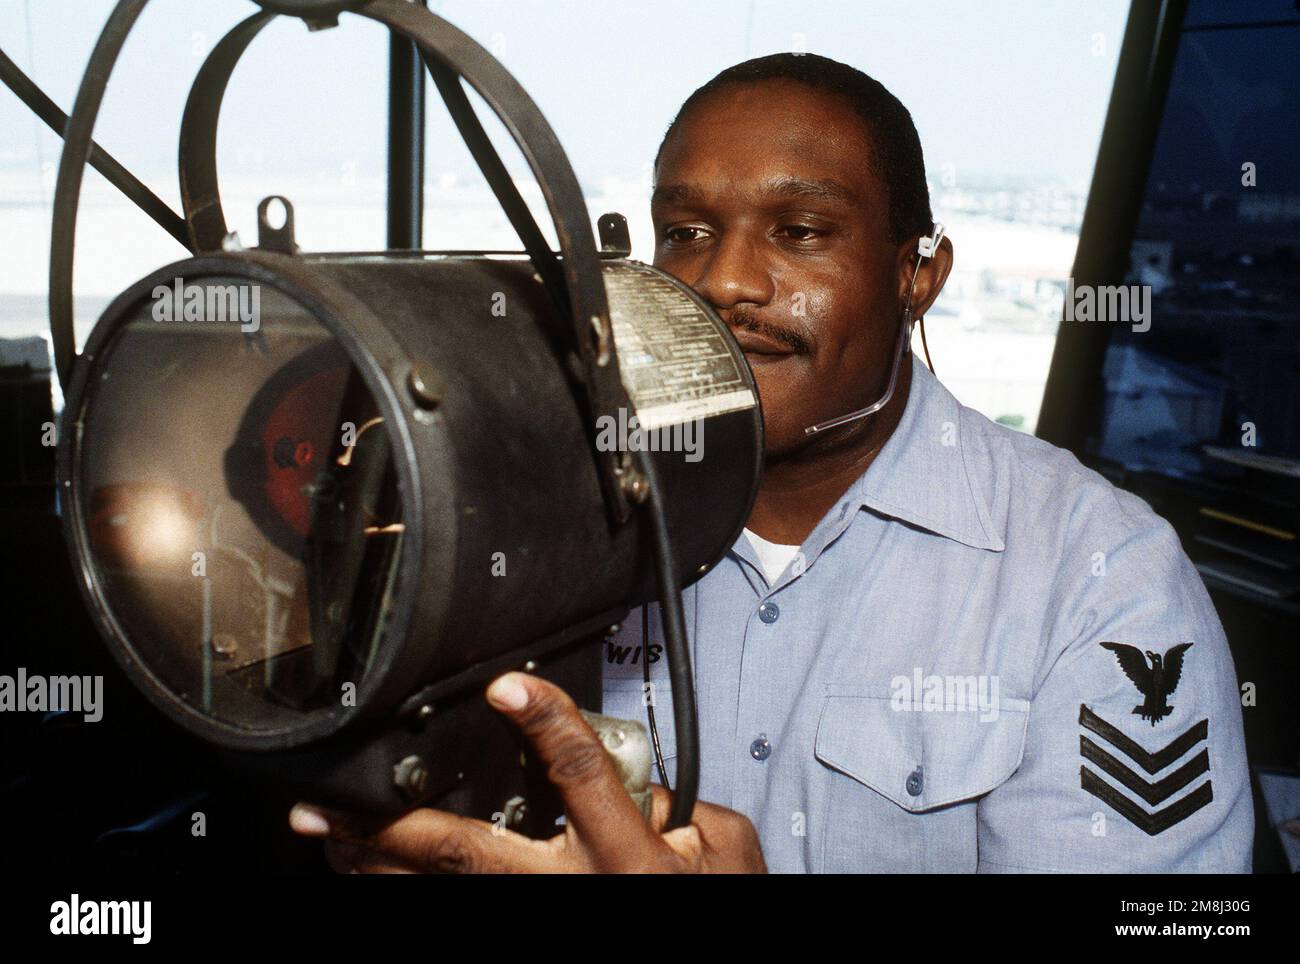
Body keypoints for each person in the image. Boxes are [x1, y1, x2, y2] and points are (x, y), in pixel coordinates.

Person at [289, 53, 1253, 873]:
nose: (725, 283)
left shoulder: (1098, 577)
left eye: (800, 233)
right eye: (687, 234)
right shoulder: (542, 517)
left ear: (920, 272)